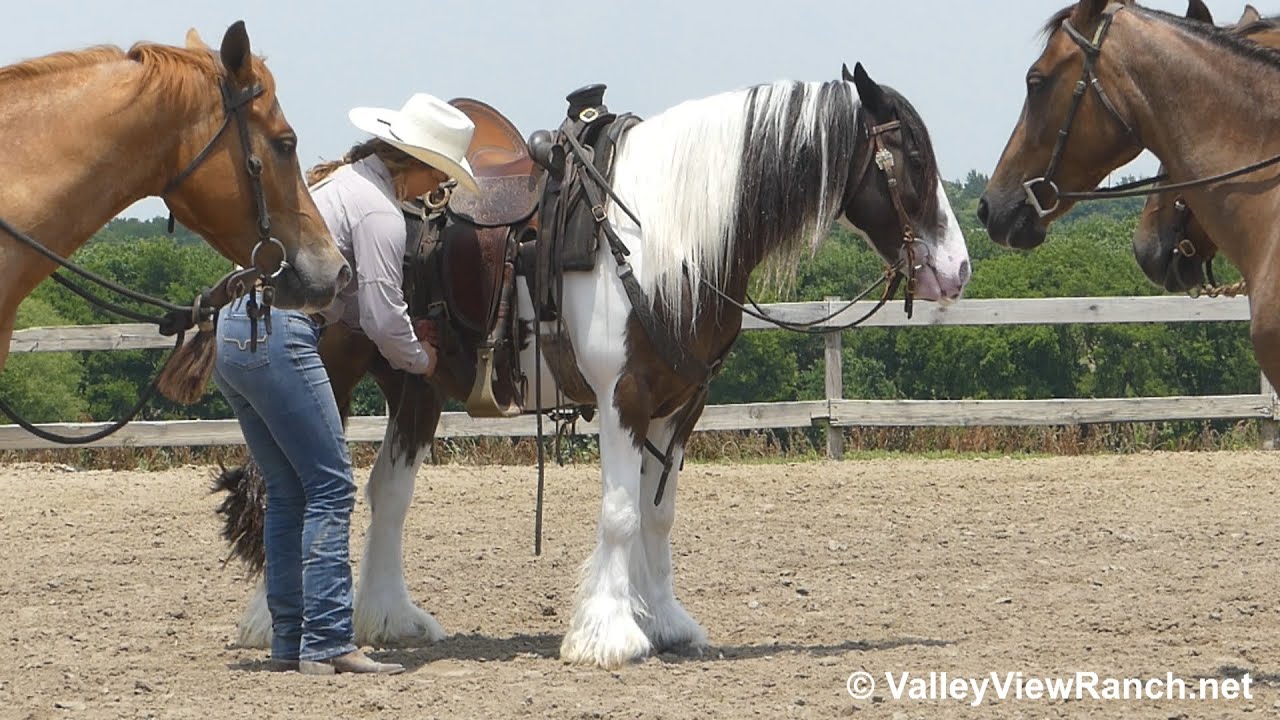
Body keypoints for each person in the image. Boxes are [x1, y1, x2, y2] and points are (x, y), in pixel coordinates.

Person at [213, 93, 479, 675]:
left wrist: (403, 338)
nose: (437, 190)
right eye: (440, 176)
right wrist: (423, 359)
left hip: (233, 331)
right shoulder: (382, 212)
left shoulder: (338, 184)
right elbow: (383, 318)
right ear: (423, 167)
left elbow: (354, 305)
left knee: (288, 493)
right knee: (330, 488)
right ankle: (331, 642)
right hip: (283, 333)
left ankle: (290, 643)